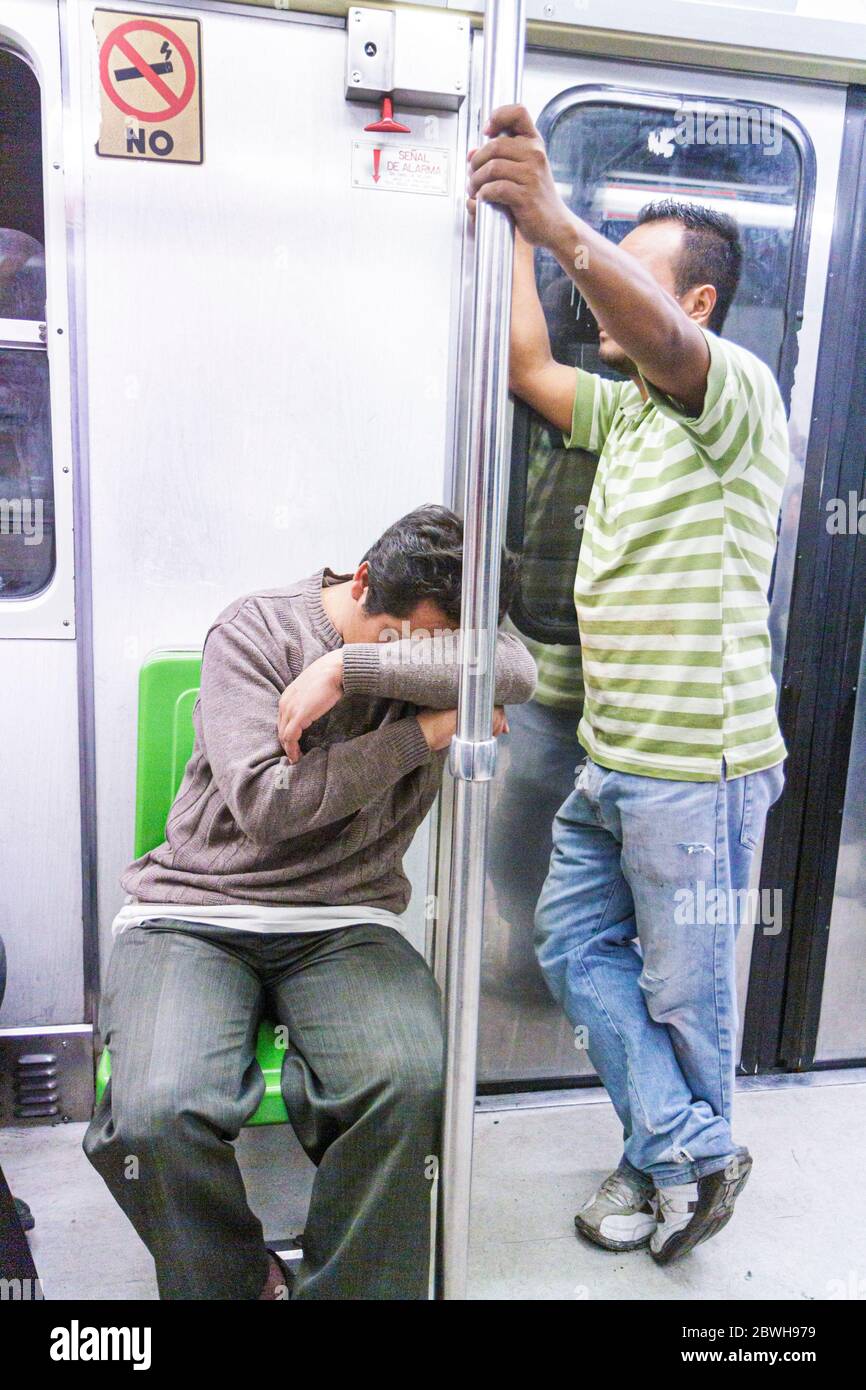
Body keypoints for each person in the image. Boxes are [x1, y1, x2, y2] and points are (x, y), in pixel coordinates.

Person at [469, 107, 789, 1263]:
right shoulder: (631, 412)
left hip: (693, 768)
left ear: (687, 304)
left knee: (684, 997)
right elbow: (520, 366)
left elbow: (649, 334)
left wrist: (558, 224)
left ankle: (664, 1160)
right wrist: (513, 227)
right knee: (566, 946)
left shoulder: (727, 392)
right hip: (613, 754)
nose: (596, 292)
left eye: (625, 274)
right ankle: (683, 1149)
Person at [83, 505, 536, 1300]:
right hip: (198, 910)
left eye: (442, 651)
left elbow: (517, 674)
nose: (427, 661)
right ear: (363, 583)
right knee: (155, 1113)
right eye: (410, 639)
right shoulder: (253, 632)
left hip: (343, 919)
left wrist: (350, 671)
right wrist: (423, 733)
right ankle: (237, 1280)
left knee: (407, 1081)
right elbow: (270, 807)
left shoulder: (432, 643)